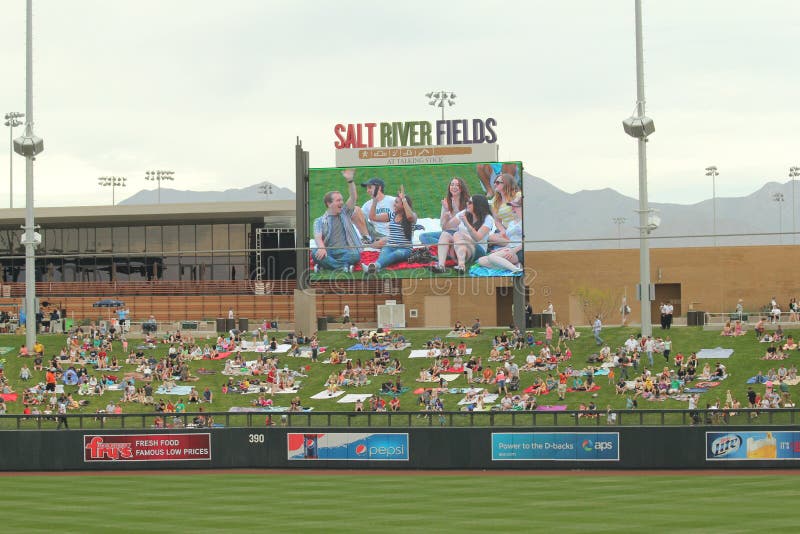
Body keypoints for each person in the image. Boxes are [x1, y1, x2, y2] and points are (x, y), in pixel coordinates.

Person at [311, 169, 362, 272]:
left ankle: (327, 266)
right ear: (329, 204)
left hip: (345, 251)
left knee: (356, 255)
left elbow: (353, 197)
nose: (342, 202)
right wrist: (321, 247)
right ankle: (343, 267)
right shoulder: (319, 221)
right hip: (329, 251)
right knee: (315, 253)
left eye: (342, 200)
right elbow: (318, 237)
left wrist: (350, 181)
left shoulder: (345, 212)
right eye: (338, 200)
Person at [432, 194, 493, 274]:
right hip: (461, 245)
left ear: (478, 205)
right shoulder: (464, 213)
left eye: (470, 202)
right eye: (467, 201)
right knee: (445, 234)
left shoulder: (488, 219)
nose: (467, 203)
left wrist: (466, 223)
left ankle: (461, 265)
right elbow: (446, 228)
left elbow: (477, 238)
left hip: (478, 249)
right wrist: (445, 217)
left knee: (458, 234)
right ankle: (441, 265)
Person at [361, 186, 417, 273]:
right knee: (385, 251)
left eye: (397, 202)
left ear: (403, 205)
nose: (394, 204)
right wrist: (375, 201)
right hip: (390, 246)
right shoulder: (392, 215)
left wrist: (404, 200)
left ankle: (374, 266)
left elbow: (409, 216)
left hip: (404, 249)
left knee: (396, 254)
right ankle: (375, 267)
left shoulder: (412, 216)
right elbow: (373, 217)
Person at [419, 177, 471, 245]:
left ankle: (445, 246)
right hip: (448, 233)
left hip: (462, 233)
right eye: (452, 185)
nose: (454, 187)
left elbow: (463, 223)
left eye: (457, 185)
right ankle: (448, 246)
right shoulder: (447, 202)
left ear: (462, 188)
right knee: (423, 236)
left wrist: (452, 212)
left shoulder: (468, 202)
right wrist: (446, 210)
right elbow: (443, 226)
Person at [477, 199, 523, 273]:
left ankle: (515, 269)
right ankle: (513, 265)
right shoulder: (512, 222)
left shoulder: (525, 222)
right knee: (481, 261)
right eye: (512, 206)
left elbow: (527, 242)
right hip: (511, 248)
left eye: (515, 206)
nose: (512, 208)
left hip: (520, 250)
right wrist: (503, 248)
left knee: (492, 257)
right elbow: (513, 241)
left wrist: (513, 251)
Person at [352, 177, 395, 244]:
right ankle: (367, 238)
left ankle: (377, 241)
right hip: (374, 233)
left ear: (379, 188)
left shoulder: (393, 201)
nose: (367, 191)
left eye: (370, 187)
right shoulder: (367, 205)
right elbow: (359, 218)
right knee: (356, 209)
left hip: (390, 235)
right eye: (367, 188)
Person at [486, 173, 521, 249]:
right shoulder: (495, 200)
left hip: (518, 229)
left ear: (506, 184)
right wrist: (502, 231)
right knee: (489, 237)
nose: (495, 184)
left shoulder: (517, 196)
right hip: (505, 230)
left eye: (498, 182)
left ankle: (515, 244)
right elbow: (497, 221)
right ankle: (513, 244)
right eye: (495, 182)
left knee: (491, 240)